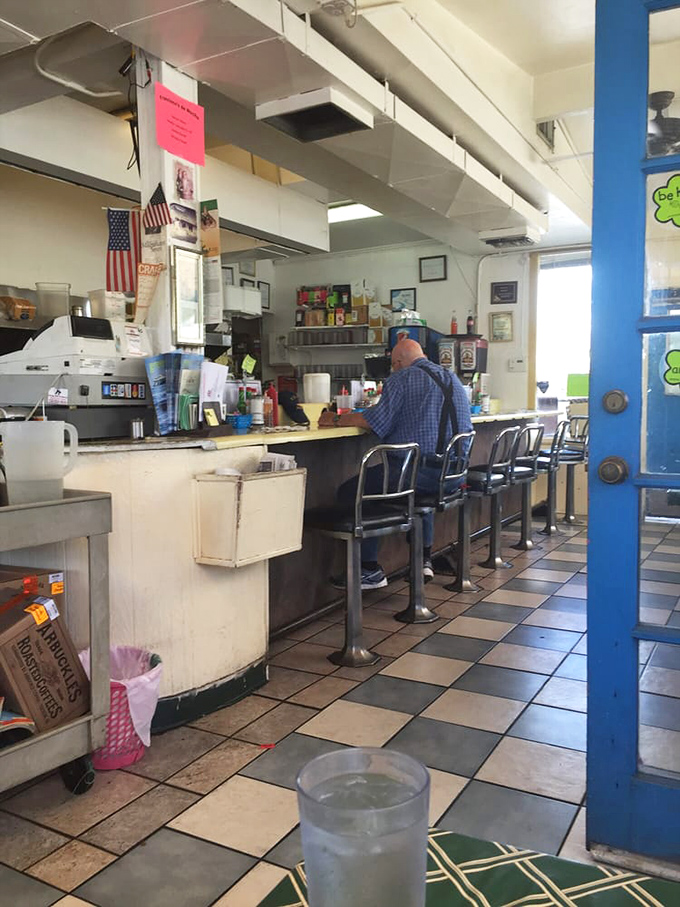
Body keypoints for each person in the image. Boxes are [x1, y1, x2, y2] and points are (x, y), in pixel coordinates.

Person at [319, 338, 472, 590]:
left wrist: (334, 419)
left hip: (419, 476)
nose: (392, 370)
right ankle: (423, 559)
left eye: (392, 365)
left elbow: (376, 421)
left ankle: (368, 570)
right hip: (453, 476)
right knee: (420, 487)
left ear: (399, 362)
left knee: (352, 492)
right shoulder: (452, 378)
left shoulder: (401, 379)